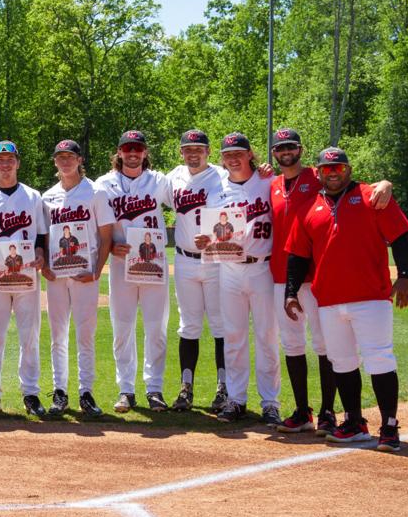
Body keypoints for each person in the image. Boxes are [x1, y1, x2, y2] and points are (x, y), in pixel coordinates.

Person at [284, 147, 408, 452]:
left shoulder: (372, 196)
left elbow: (399, 236)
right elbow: (298, 255)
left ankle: (389, 427)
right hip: (328, 299)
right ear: (318, 173)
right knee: (341, 362)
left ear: (349, 169)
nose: (333, 174)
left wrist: (405, 275)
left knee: (379, 358)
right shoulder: (309, 208)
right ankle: (354, 422)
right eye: (327, 170)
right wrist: (290, 292)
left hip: (370, 296)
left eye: (338, 168)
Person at [268, 128, 393, 436]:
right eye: (279, 148)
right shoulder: (269, 183)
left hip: (319, 276)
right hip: (283, 275)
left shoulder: (317, 175)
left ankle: (327, 411)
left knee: (327, 346)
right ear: (273, 153)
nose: (285, 152)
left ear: (300, 149)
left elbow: (357, 186)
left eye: (290, 147)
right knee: (293, 344)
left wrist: (386, 183)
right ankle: (302, 411)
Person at [196, 133, 281, 426]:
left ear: (250, 154)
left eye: (238, 152)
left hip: (262, 268)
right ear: (221, 158)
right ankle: (236, 399)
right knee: (233, 337)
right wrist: (203, 239)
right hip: (229, 269)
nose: (233, 158)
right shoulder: (216, 189)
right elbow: (213, 234)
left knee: (267, 336)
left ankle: (270, 401)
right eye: (227, 154)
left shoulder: (268, 182)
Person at [95, 130, 174, 413]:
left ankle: (154, 389)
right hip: (121, 264)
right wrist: (110, 244)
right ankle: (126, 389)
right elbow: (90, 219)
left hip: (154, 266)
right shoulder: (103, 184)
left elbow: (190, 198)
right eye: (127, 147)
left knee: (156, 328)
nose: (132, 153)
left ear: (144, 152)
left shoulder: (159, 181)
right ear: (118, 152)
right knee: (122, 328)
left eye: (137, 148)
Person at [0, 141, 49, 419]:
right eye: (0, 160)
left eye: (10, 159)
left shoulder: (32, 196)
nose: (5, 164)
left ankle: (30, 393)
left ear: (17, 162)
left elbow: (41, 234)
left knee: (30, 336)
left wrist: (40, 253)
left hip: (27, 276)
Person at [41, 139, 112, 417]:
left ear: (80, 160)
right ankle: (60, 391)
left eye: (70, 156)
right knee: (57, 335)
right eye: (60, 156)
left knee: (85, 334)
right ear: (55, 161)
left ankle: (86, 392)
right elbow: (44, 238)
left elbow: (105, 237)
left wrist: (96, 271)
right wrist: (45, 266)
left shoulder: (96, 192)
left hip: (84, 275)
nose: (65, 161)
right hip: (57, 276)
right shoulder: (48, 197)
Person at [166, 130, 228, 412]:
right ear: (181, 152)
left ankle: (223, 388)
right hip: (184, 260)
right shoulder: (174, 177)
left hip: (215, 260)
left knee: (219, 325)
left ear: (209, 151)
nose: (193, 153)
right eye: (188, 149)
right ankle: (186, 388)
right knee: (188, 325)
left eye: (198, 149)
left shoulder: (222, 175)